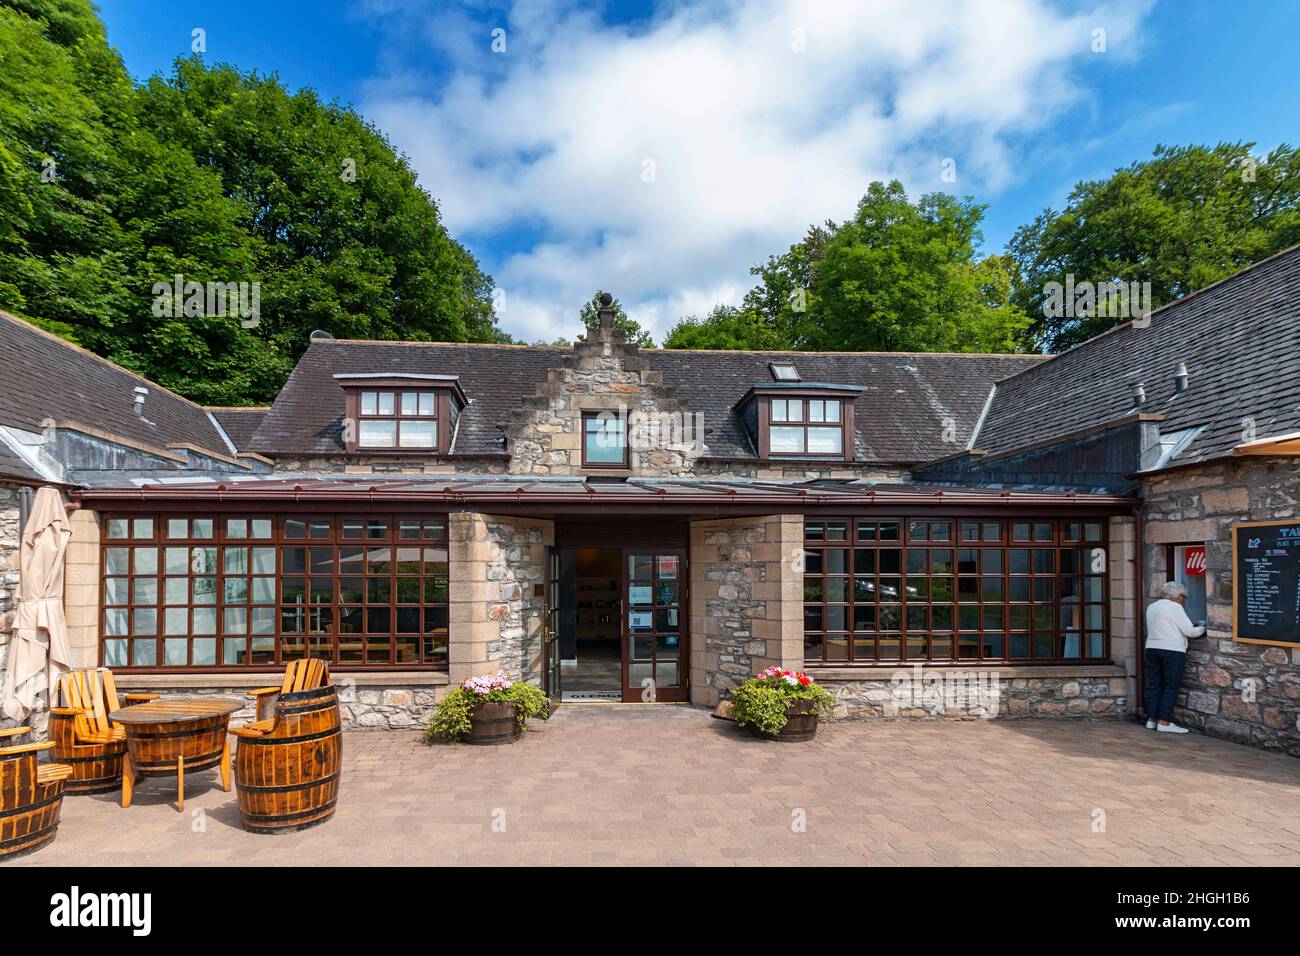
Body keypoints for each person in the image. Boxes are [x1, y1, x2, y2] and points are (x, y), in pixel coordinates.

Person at [1143, 581, 1205, 734]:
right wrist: (1203, 627)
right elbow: (1190, 631)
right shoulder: (1175, 607)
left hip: (1151, 648)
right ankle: (1164, 722)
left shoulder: (1152, 606)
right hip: (1171, 650)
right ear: (1177, 596)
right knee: (1171, 686)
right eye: (1184, 597)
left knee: (1154, 684)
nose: (1184, 600)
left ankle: (1152, 720)